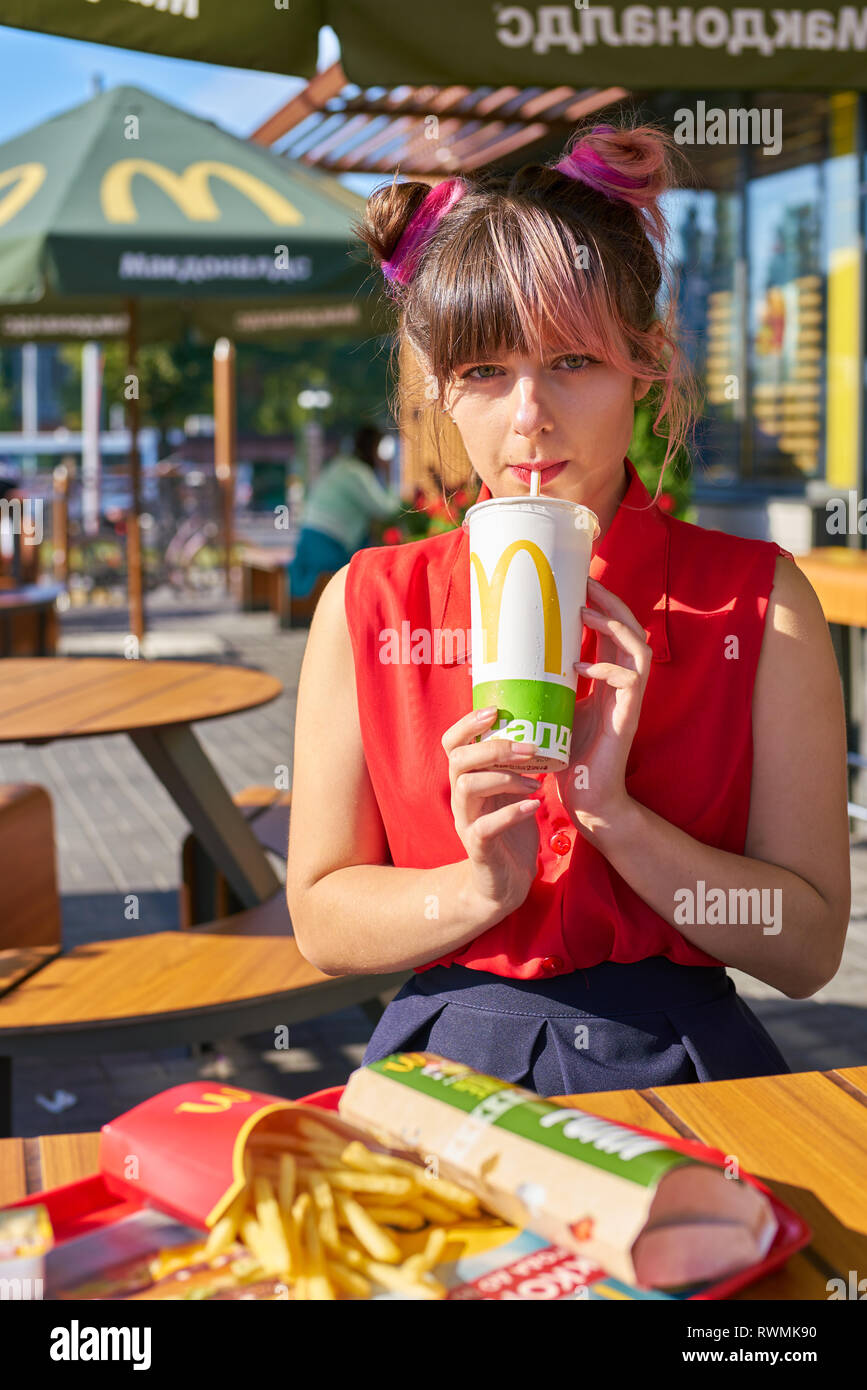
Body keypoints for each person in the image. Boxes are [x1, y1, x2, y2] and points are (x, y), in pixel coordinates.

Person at [286, 122, 851, 1096]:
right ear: (437, 388)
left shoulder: (759, 602)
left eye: (572, 361)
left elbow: (804, 951)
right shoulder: (369, 606)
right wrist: (478, 887)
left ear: (646, 360)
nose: (529, 414)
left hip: (691, 1073)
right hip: (443, 1068)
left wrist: (615, 816)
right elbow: (322, 920)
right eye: (485, 372)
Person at [287, 425, 401, 600]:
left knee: (307, 590)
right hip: (330, 541)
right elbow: (386, 509)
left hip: (310, 533)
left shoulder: (340, 466)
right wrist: (388, 475)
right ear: (373, 450)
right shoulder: (357, 473)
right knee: (344, 587)